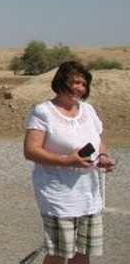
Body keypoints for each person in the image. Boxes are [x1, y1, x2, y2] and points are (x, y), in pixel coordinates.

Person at [24, 60, 116, 263]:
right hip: (58, 196)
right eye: (75, 82)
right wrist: (67, 161)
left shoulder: (89, 111)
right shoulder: (43, 112)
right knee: (59, 253)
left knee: (83, 252)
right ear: (61, 82)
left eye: (83, 84)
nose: (79, 88)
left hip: (89, 196)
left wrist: (103, 157)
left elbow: (98, 140)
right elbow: (30, 151)